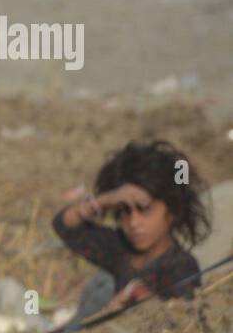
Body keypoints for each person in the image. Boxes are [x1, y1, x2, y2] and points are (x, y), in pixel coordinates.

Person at [53, 138, 210, 322]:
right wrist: (107, 200)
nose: (133, 222)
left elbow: (182, 319)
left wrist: (141, 299)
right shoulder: (121, 249)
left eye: (144, 209)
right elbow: (65, 226)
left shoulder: (181, 266)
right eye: (124, 211)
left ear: (173, 209)